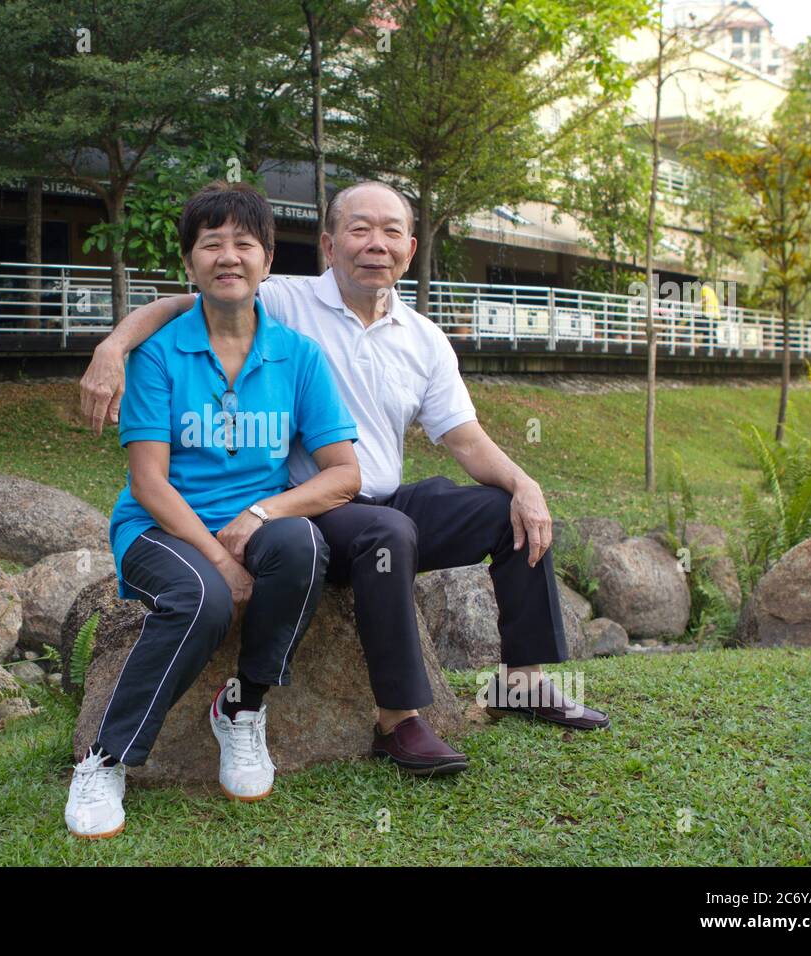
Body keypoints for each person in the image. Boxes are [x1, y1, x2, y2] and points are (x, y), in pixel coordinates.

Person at [81, 181, 611, 781]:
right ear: (328, 245)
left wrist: (525, 483)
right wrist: (114, 344)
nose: (375, 245)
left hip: (380, 494)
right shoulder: (285, 300)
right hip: (311, 507)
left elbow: (465, 439)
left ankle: (524, 680)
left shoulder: (423, 338)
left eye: (390, 232)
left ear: (410, 248)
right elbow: (187, 303)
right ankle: (398, 720)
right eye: (359, 230)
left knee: (506, 511)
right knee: (386, 533)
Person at [65, 182, 362, 839]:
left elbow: (345, 474)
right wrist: (216, 558)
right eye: (211, 245)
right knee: (205, 598)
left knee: (303, 547)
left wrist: (260, 515)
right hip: (158, 529)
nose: (229, 256)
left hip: (246, 522)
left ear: (267, 259)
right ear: (190, 263)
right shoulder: (160, 355)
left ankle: (243, 708)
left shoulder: (298, 356)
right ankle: (105, 758)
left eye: (244, 243)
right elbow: (148, 483)